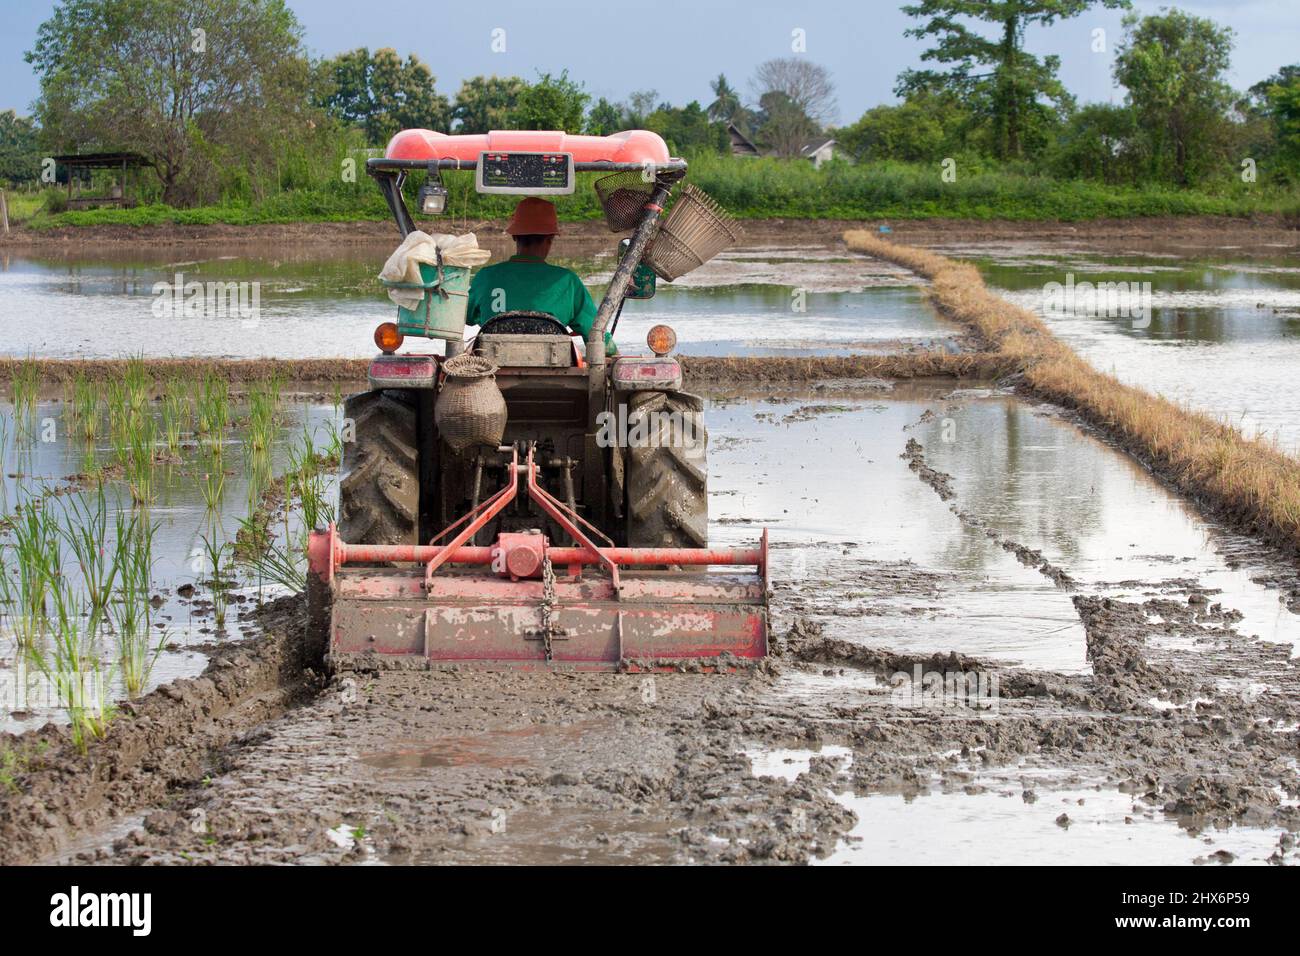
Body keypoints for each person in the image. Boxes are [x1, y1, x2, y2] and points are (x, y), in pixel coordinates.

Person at [466, 197, 616, 355]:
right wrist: (613, 352)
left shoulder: (486, 277)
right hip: (554, 369)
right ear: (550, 239)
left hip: (492, 366)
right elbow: (596, 335)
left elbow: (464, 317)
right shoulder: (567, 281)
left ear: (514, 236)